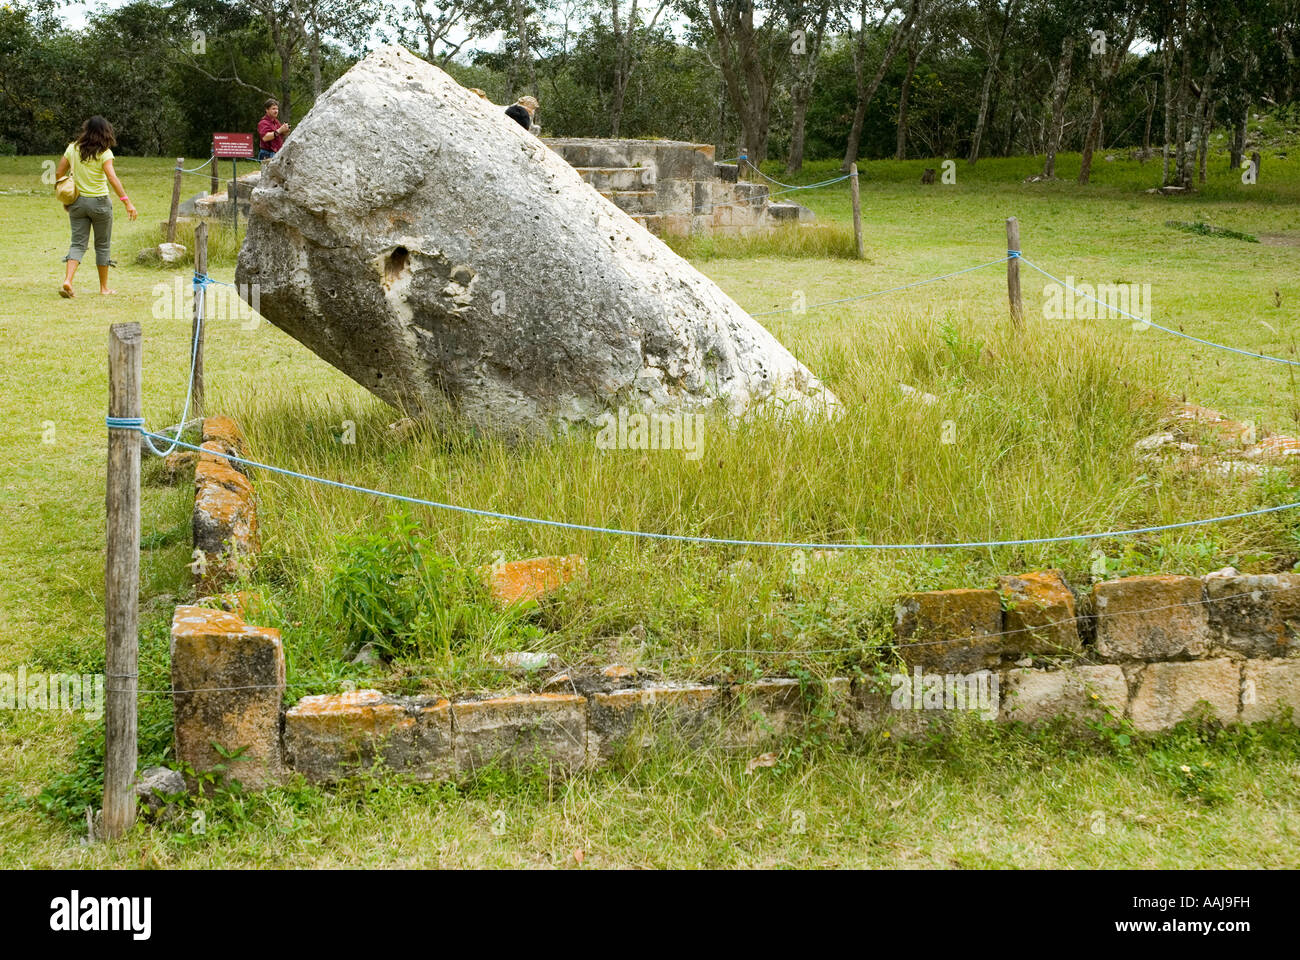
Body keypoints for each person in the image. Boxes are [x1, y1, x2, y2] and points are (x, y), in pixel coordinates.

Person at [56, 116, 136, 298]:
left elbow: (59, 172)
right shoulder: (104, 153)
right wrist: (127, 202)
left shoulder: (72, 148)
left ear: (86, 129)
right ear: (105, 132)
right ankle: (103, 288)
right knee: (102, 245)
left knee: (77, 243)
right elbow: (112, 178)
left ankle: (68, 280)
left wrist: (65, 193)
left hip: (77, 203)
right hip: (100, 203)